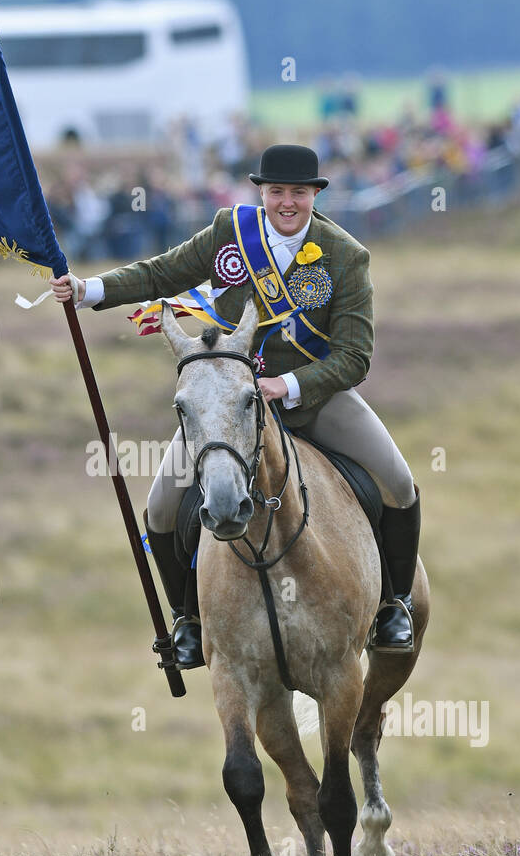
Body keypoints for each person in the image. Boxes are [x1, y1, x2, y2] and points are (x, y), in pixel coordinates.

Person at [50, 144, 421, 669]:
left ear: (314, 195)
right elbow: (163, 273)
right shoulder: (231, 231)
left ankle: (394, 605)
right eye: (276, 192)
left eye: (297, 193)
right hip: (227, 401)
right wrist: (90, 289)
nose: (285, 203)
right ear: (261, 193)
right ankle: (188, 622)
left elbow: (354, 356)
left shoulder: (345, 255)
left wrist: (287, 385)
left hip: (313, 397)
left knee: (399, 484)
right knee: (159, 506)